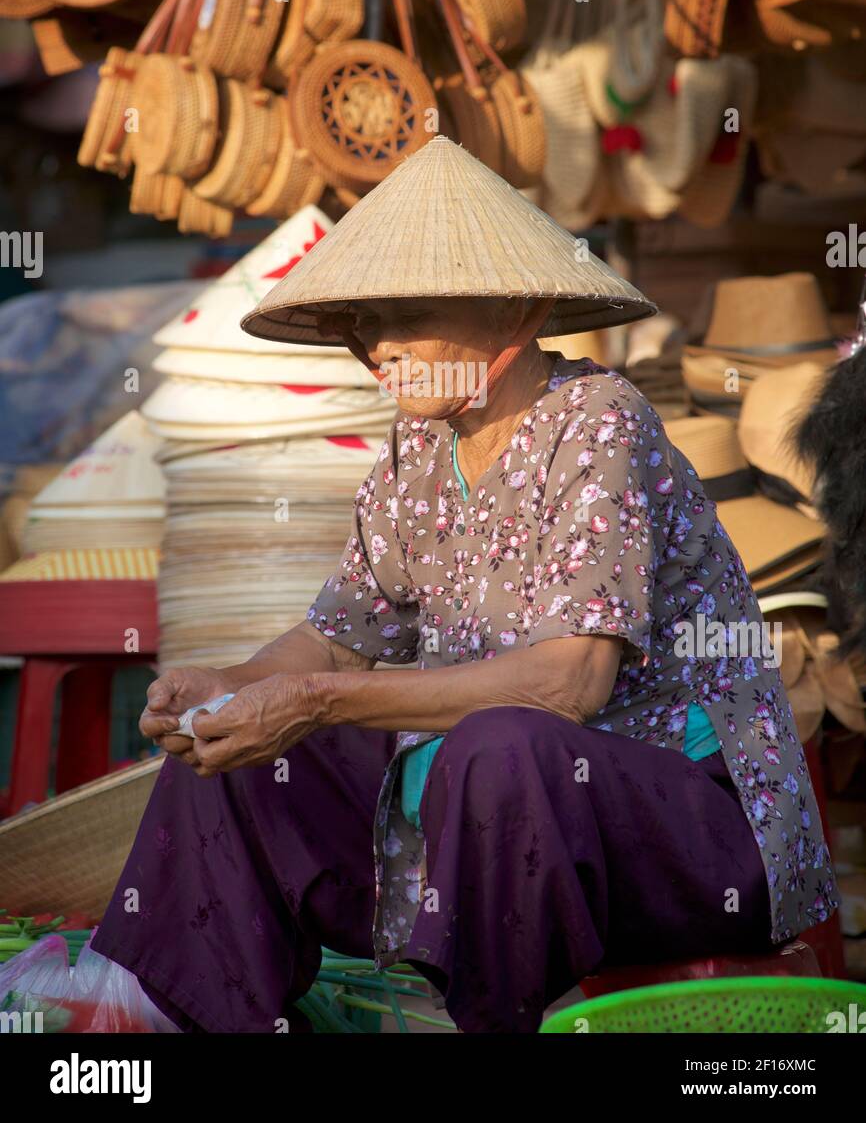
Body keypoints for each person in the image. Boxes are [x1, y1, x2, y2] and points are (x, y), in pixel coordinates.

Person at [92, 137, 838, 1033]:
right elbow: (337, 637)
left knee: (505, 749)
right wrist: (237, 688)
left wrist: (319, 700)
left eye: (407, 313)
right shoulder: (414, 450)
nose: (377, 346)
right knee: (235, 759)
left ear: (516, 310)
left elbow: (569, 683)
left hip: (688, 842)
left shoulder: (598, 422)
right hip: (496, 820)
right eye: (366, 320)